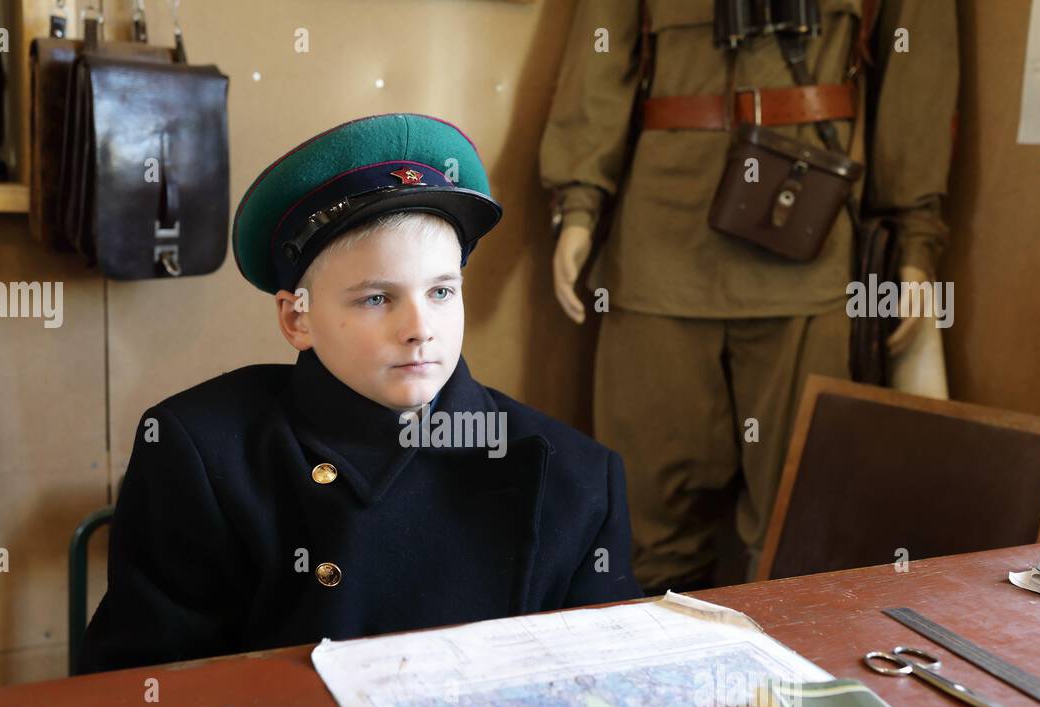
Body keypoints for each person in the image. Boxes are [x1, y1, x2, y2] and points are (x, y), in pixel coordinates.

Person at [81, 112, 641, 673]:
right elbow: (136, 694)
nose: (420, 328)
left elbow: (603, 702)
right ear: (297, 319)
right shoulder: (205, 454)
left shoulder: (579, 478)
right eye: (377, 299)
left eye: (442, 291)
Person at [539, 1, 958, 593]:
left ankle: (790, 680)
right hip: (661, 256)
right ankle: (659, 676)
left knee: (802, 531)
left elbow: (918, 76)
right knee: (650, 530)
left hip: (808, 255)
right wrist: (579, 208)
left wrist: (916, 242)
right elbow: (599, 64)